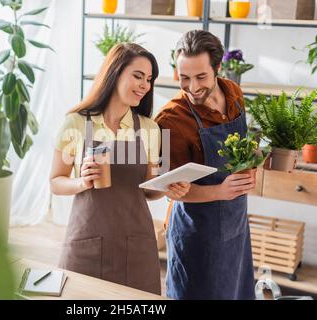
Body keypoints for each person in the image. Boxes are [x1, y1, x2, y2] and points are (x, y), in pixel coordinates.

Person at [50, 43, 190, 294]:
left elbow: (150, 190)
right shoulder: (77, 122)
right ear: (115, 72)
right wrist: (81, 182)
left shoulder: (150, 128)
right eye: (137, 76)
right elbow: (56, 181)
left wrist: (168, 188)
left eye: (149, 79)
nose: (145, 85)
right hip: (86, 241)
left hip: (136, 245)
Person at [155, 30, 256, 300]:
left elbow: (242, 147)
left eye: (201, 77)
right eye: (184, 77)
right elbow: (169, 188)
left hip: (236, 225)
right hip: (196, 234)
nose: (192, 87)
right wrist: (220, 191)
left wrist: (252, 161)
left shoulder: (233, 91)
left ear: (218, 68)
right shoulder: (170, 119)